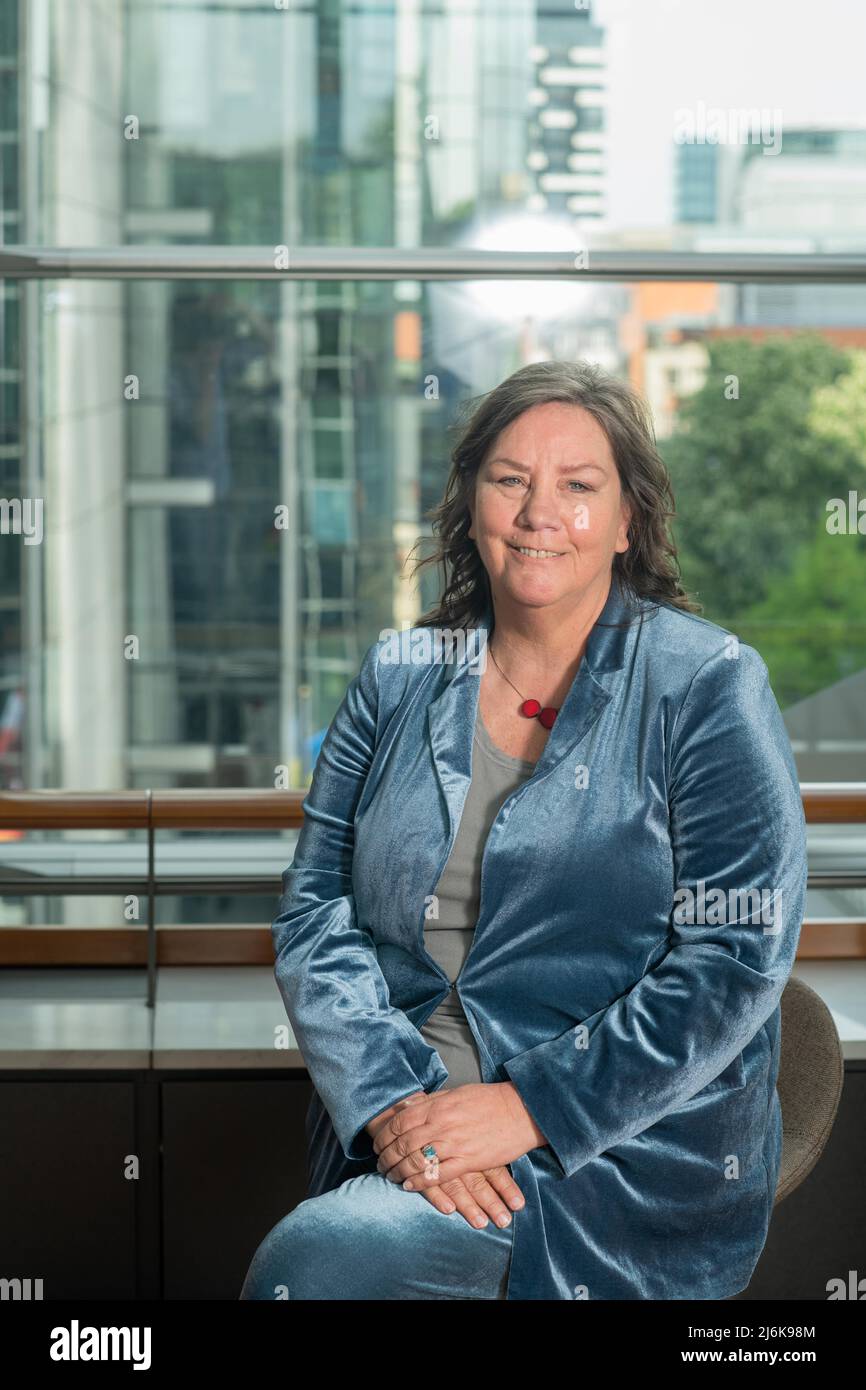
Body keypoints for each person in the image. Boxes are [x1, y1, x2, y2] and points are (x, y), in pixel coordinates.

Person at [240, 359, 808, 1300]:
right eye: (511, 480)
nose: (541, 511)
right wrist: (395, 1104)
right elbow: (312, 915)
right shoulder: (400, 673)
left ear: (628, 522)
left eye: (580, 487)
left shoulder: (706, 685)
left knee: (314, 1267)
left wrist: (525, 1108)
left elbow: (735, 958)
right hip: (407, 1124)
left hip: (612, 1150)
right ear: (472, 507)